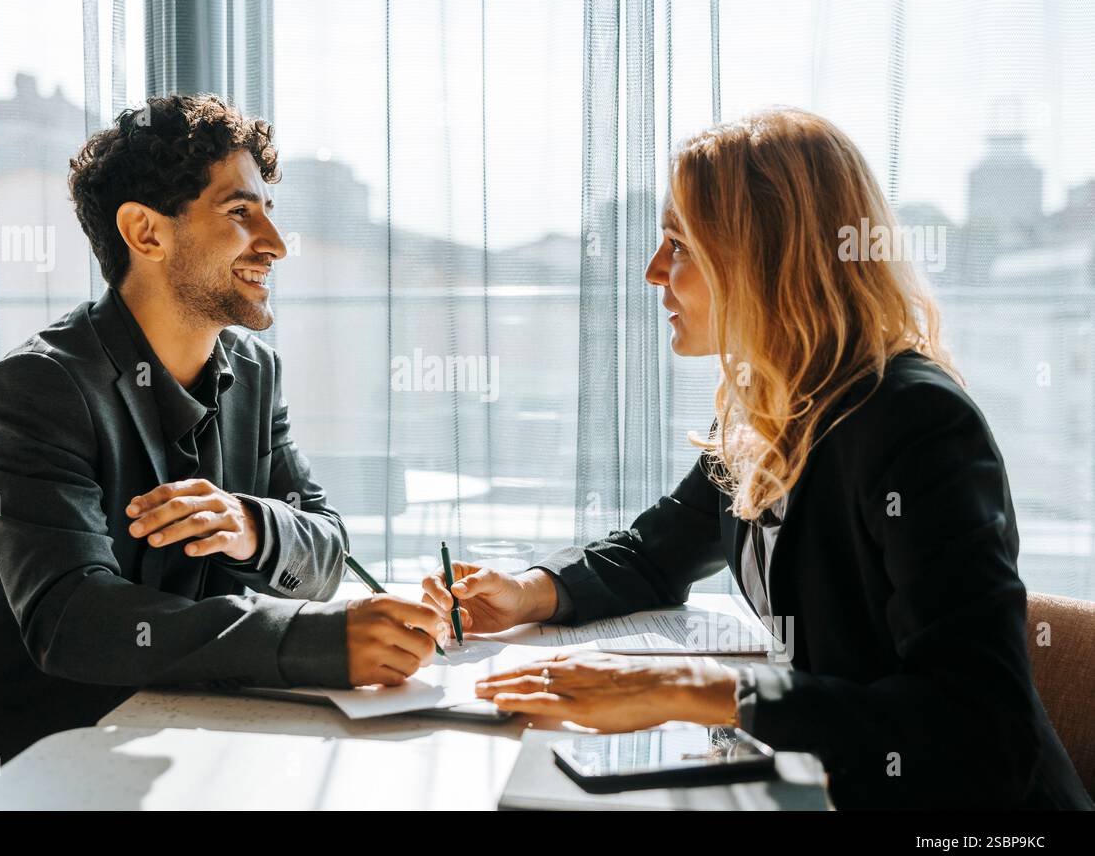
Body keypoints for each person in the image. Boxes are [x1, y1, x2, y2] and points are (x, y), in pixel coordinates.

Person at [423, 108, 1092, 810]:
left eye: (678, 246)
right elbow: (655, 554)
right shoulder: (763, 406)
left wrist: (694, 692)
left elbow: (979, 730)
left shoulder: (917, 423)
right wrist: (530, 590)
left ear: (767, 259)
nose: (655, 272)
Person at [0, 94, 446, 810]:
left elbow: (327, 552)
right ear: (145, 233)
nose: (275, 241)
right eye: (241, 212)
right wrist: (311, 641)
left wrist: (250, 524)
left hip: (137, 746)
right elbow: (75, 621)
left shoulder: (254, 373)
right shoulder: (35, 388)